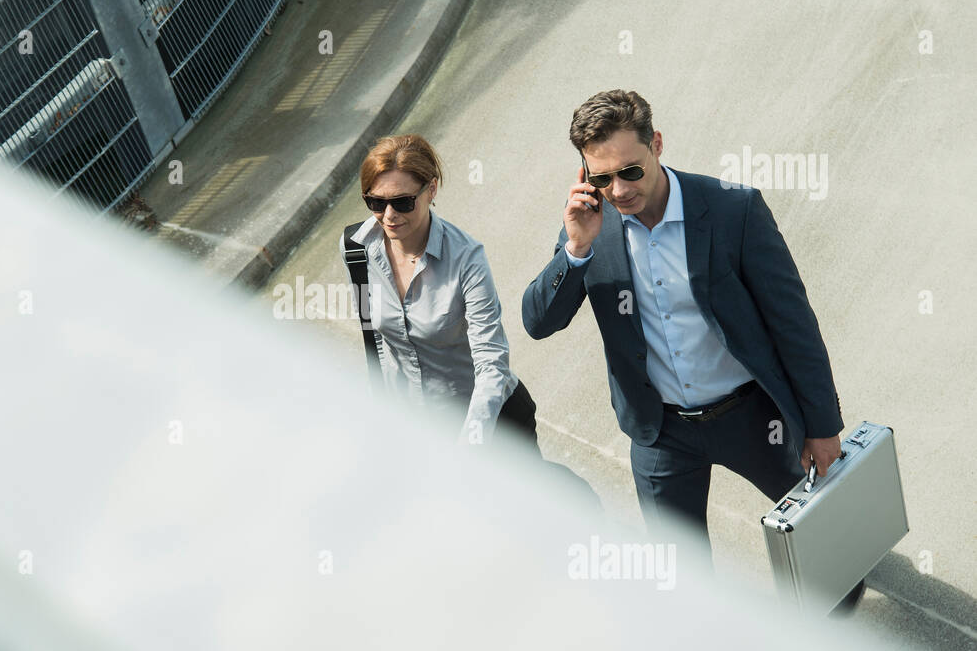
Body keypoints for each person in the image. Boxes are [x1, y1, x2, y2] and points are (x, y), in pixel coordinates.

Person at [520, 90, 863, 613]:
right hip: (663, 432)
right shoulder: (592, 227)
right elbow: (539, 322)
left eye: (630, 171)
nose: (618, 190)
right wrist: (576, 250)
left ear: (656, 144)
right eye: (601, 178)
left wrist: (822, 428)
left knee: (828, 551)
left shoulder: (732, 209)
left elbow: (794, 326)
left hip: (753, 416)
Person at [340, 134, 600, 510]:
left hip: (491, 426)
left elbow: (492, 365)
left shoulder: (467, 260)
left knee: (521, 515)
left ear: (431, 190)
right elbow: (375, 341)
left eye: (402, 202)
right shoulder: (356, 247)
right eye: (375, 202)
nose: (389, 216)